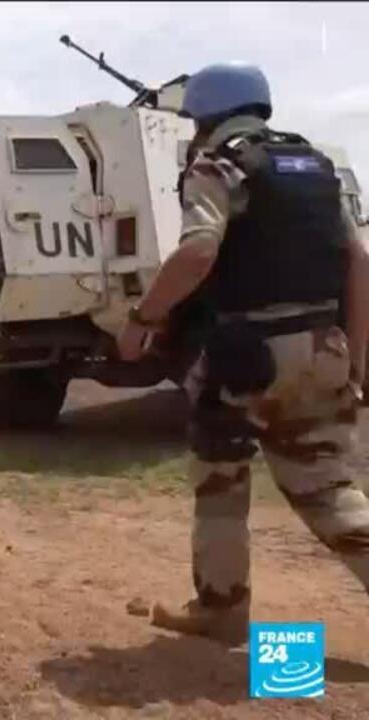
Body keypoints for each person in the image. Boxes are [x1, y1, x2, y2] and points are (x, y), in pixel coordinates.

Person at [117, 62, 369, 645]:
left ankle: (221, 608)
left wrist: (142, 320)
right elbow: (358, 263)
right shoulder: (314, 166)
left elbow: (198, 252)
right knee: (329, 490)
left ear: (204, 116)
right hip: (322, 345)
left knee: (221, 486)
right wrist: (355, 360)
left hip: (247, 357)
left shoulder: (219, 164)